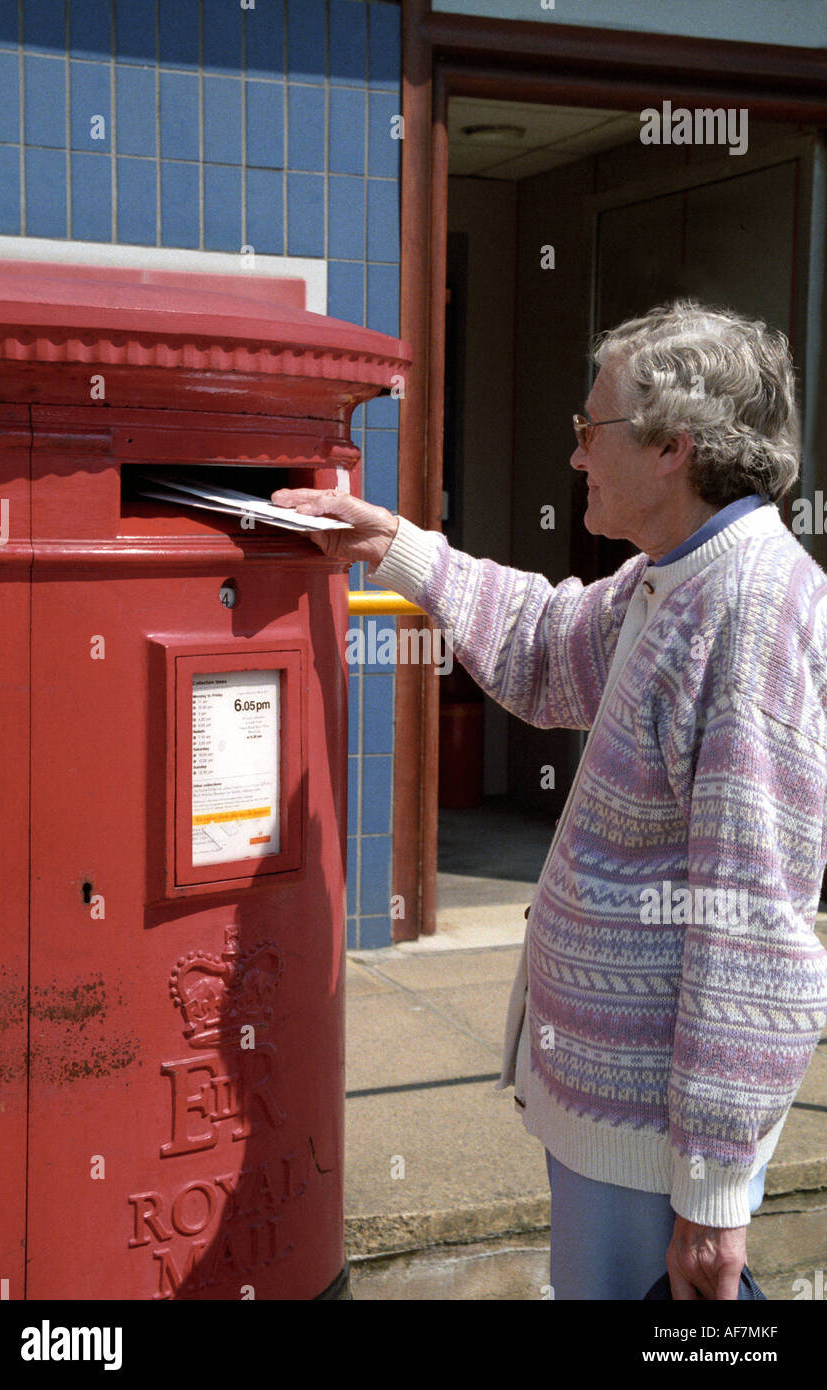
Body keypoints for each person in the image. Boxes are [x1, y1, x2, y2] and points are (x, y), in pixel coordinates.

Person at [271, 299, 827, 1300]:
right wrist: (393, 542)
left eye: (588, 430)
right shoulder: (674, 577)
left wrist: (710, 1193)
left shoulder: (747, 610)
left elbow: (754, 921)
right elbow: (545, 644)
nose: (575, 457)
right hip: (612, 1113)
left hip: (650, 1141)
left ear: (672, 447)